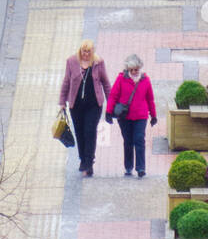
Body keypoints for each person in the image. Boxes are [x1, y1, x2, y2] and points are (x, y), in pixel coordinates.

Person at [59, 40, 111, 176]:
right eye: (84, 51)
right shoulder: (71, 62)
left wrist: (110, 102)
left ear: (92, 52)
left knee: (90, 131)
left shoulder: (99, 63)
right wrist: (62, 102)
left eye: (88, 51)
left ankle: (88, 161)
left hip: (93, 105)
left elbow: (105, 82)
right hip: (76, 106)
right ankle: (83, 160)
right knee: (80, 133)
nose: (86, 54)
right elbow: (66, 82)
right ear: (80, 51)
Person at [104, 53, 157, 177]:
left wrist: (153, 115)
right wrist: (108, 112)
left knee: (139, 140)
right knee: (128, 141)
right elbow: (113, 96)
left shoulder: (146, 80)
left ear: (140, 68)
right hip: (125, 117)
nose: (134, 72)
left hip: (141, 116)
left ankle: (140, 168)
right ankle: (128, 167)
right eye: (131, 70)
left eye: (136, 69)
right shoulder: (121, 79)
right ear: (128, 69)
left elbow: (150, 99)